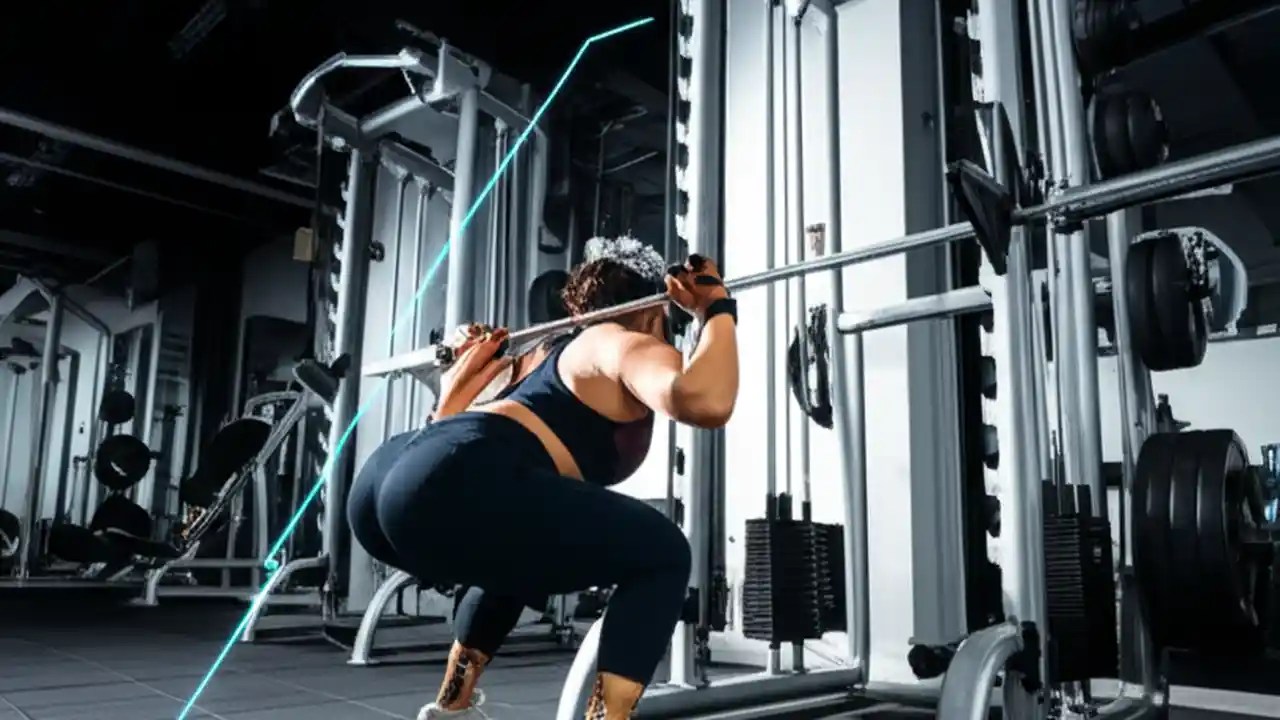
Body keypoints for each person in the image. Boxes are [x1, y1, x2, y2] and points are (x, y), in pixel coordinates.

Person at [347, 236, 740, 720]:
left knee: (512, 562)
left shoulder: (536, 356)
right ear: (649, 309)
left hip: (391, 479)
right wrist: (717, 310)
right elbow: (704, 400)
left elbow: (449, 434)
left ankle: (453, 707)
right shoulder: (616, 338)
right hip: (453, 472)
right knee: (664, 553)